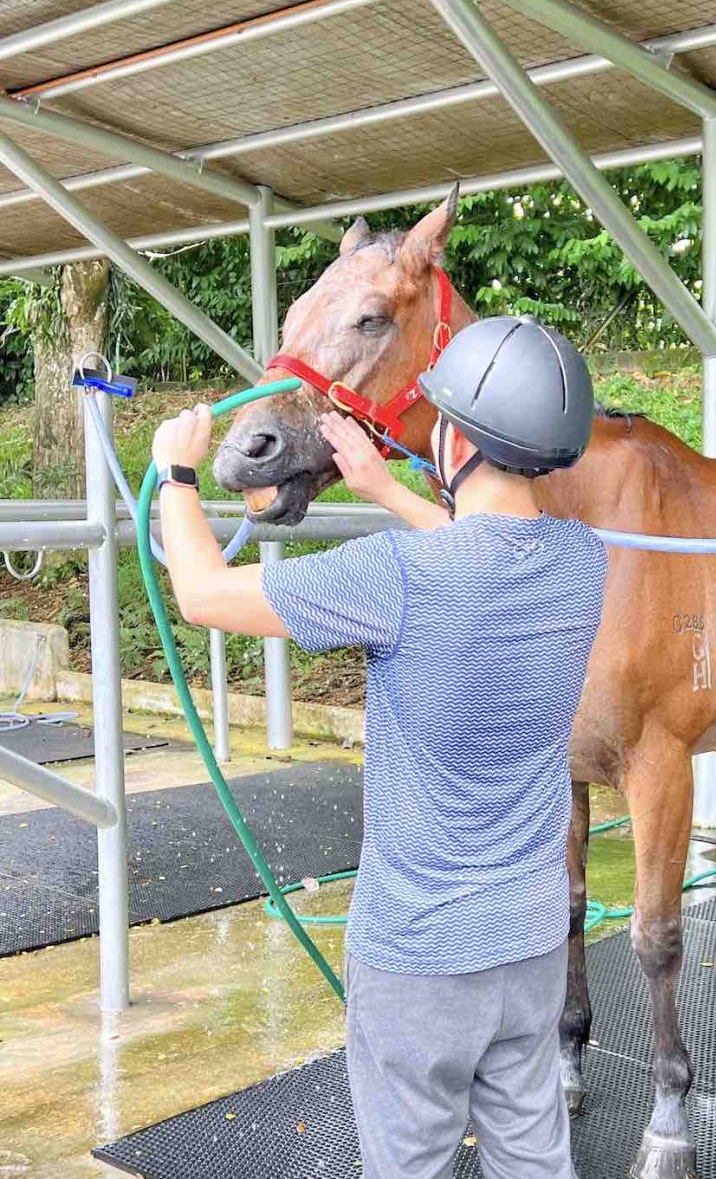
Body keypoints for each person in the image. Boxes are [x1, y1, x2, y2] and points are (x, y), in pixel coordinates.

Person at [152, 314, 608, 1179]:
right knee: (536, 1159)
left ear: (457, 438)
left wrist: (175, 473)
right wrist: (386, 491)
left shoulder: (391, 578)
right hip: (533, 939)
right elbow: (485, 550)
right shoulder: (582, 561)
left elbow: (205, 594)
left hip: (420, 956)